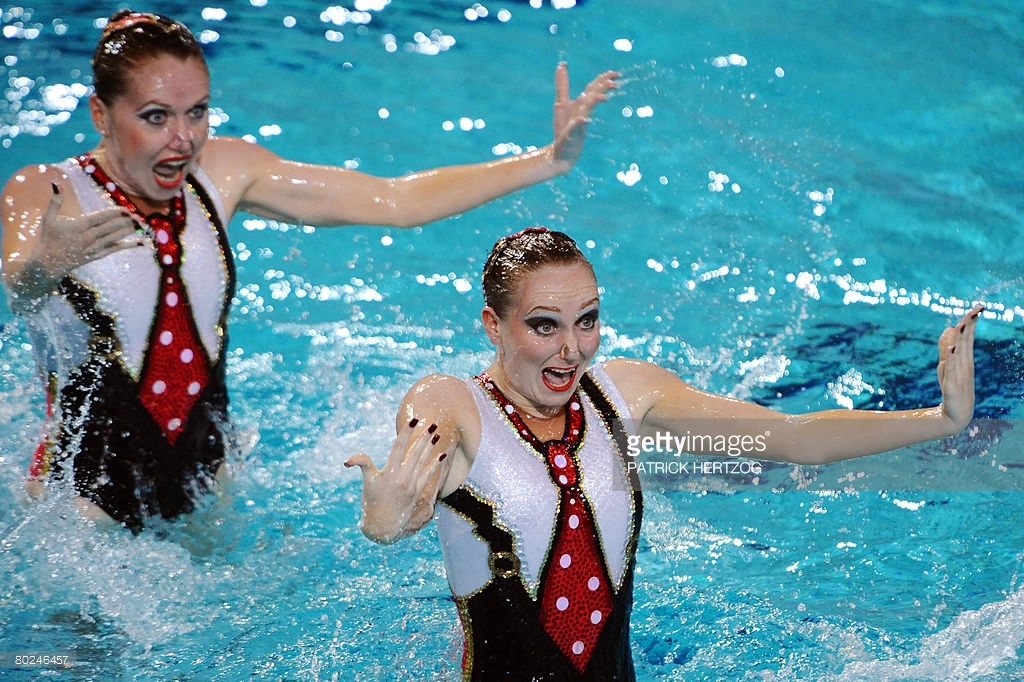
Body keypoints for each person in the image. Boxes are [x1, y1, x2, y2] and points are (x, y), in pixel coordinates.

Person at [0, 10, 620, 531]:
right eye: (156, 116)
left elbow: (395, 201)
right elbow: (18, 282)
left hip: (206, 477)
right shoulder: (48, 191)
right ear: (102, 115)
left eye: (197, 112)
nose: (183, 139)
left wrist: (546, 162)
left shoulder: (223, 173)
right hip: (81, 504)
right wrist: (46, 263)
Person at [346, 228, 982, 680]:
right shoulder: (454, 405)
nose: (571, 349)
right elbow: (395, 512)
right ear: (493, 324)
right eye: (545, 325)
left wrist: (941, 418)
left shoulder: (625, 394)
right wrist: (384, 515)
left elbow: (795, 439)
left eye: (587, 320)